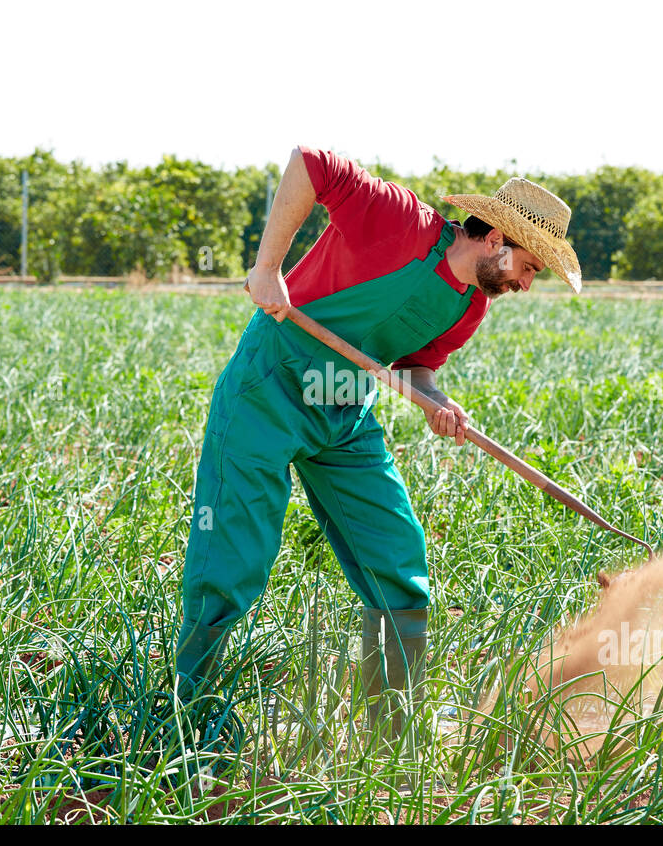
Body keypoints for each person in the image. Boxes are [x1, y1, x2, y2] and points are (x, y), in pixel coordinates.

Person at [175, 145, 581, 743]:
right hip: (269, 386)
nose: (525, 283)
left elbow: (417, 371)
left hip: (343, 412)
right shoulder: (399, 221)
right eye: (529, 266)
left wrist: (438, 404)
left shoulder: (469, 309)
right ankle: (193, 716)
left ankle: (392, 735)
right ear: (495, 236)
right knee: (235, 557)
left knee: (398, 560)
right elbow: (309, 163)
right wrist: (268, 269)